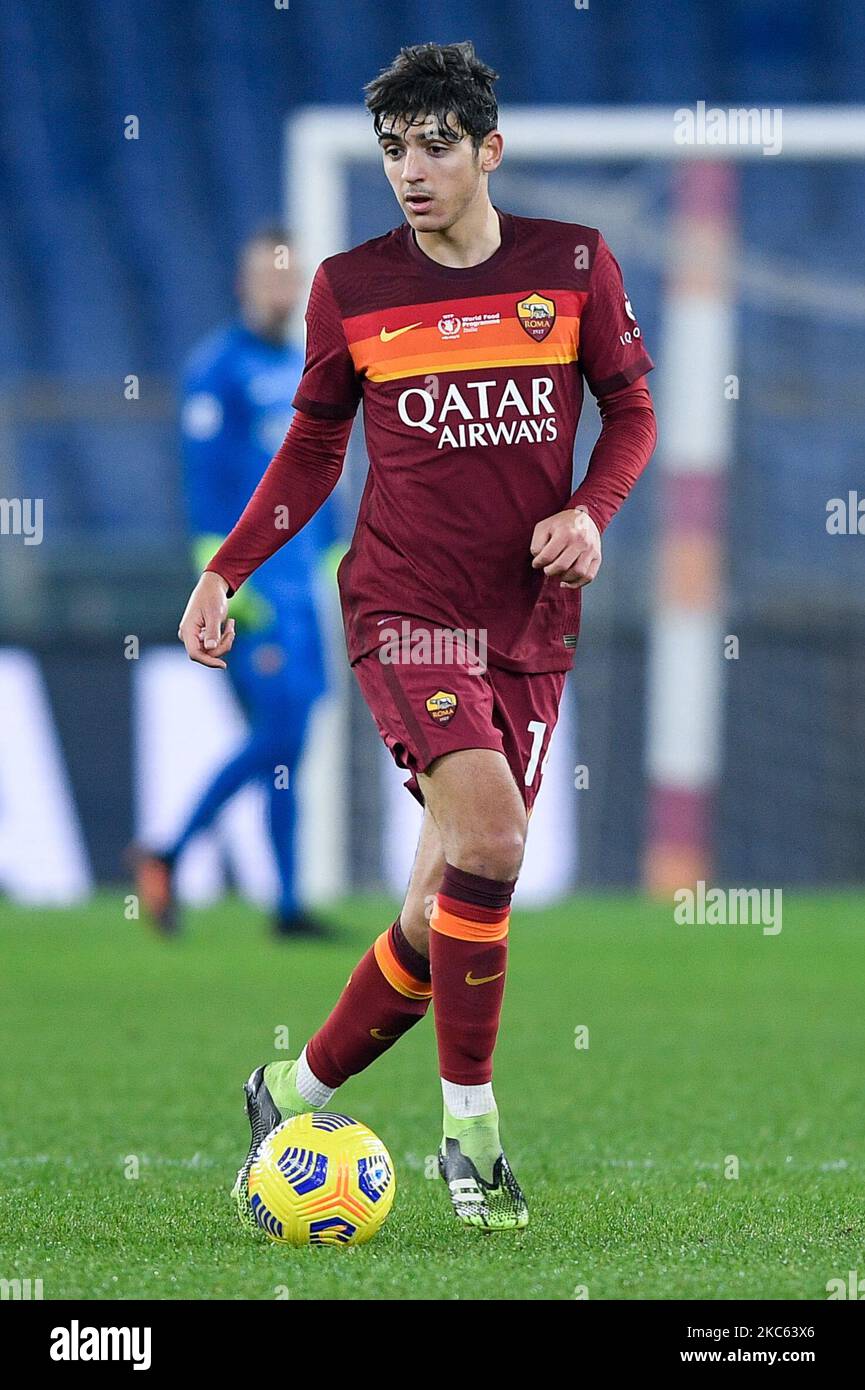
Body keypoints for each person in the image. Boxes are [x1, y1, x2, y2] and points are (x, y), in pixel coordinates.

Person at [178, 41, 657, 1230]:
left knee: (436, 902)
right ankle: (470, 1138)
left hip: (532, 623)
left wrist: (589, 515)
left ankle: (287, 1087)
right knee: (492, 840)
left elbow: (633, 409)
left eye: (435, 144)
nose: (410, 168)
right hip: (404, 612)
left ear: (488, 150)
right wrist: (227, 572)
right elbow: (310, 451)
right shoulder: (352, 287)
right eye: (393, 148)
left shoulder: (575, 267)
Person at [135, 228, 340, 938]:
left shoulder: (310, 365)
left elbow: (326, 474)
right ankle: (166, 851)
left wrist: (340, 563)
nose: (281, 289)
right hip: (250, 590)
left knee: (291, 745)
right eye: (269, 276)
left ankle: (285, 904)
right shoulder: (216, 368)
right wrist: (222, 580)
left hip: (302, 592)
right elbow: (203, 485)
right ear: (243, 285)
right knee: (278, 733)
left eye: (291, 277)